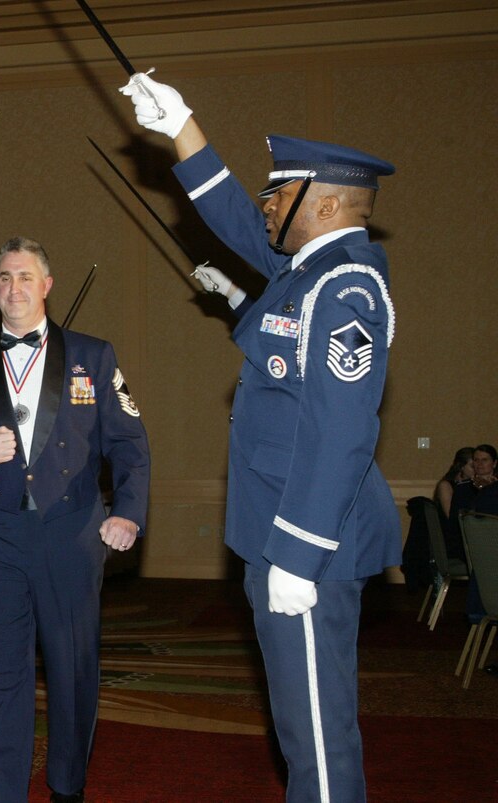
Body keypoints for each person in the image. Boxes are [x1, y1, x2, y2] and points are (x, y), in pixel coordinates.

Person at [122, 72, 400, 802]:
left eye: (282, 193)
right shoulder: (306, 272)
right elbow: (239, 222)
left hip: (306, 541)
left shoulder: (345, 288)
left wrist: (300, 557)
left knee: (317, 731)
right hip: (275, 530)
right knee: (298, 729)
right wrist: (183, 128)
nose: (268, 203)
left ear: (330, 204)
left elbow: (340, 434)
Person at [0, 237, 150, 802]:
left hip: (71, 535)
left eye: (25, 277)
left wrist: (126, 512)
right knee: (4, 673)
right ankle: (4, 794)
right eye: (4, 277)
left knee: (73, 671)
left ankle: (66, 786)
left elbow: (129, 444)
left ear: (46, 285)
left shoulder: (93, 357)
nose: (14, 288)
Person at [436, 446, 475, 520]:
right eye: (472, 466)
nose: (476, 469)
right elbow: (450, 516)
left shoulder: (474, 484)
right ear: (461, 467)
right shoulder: (446, 485)